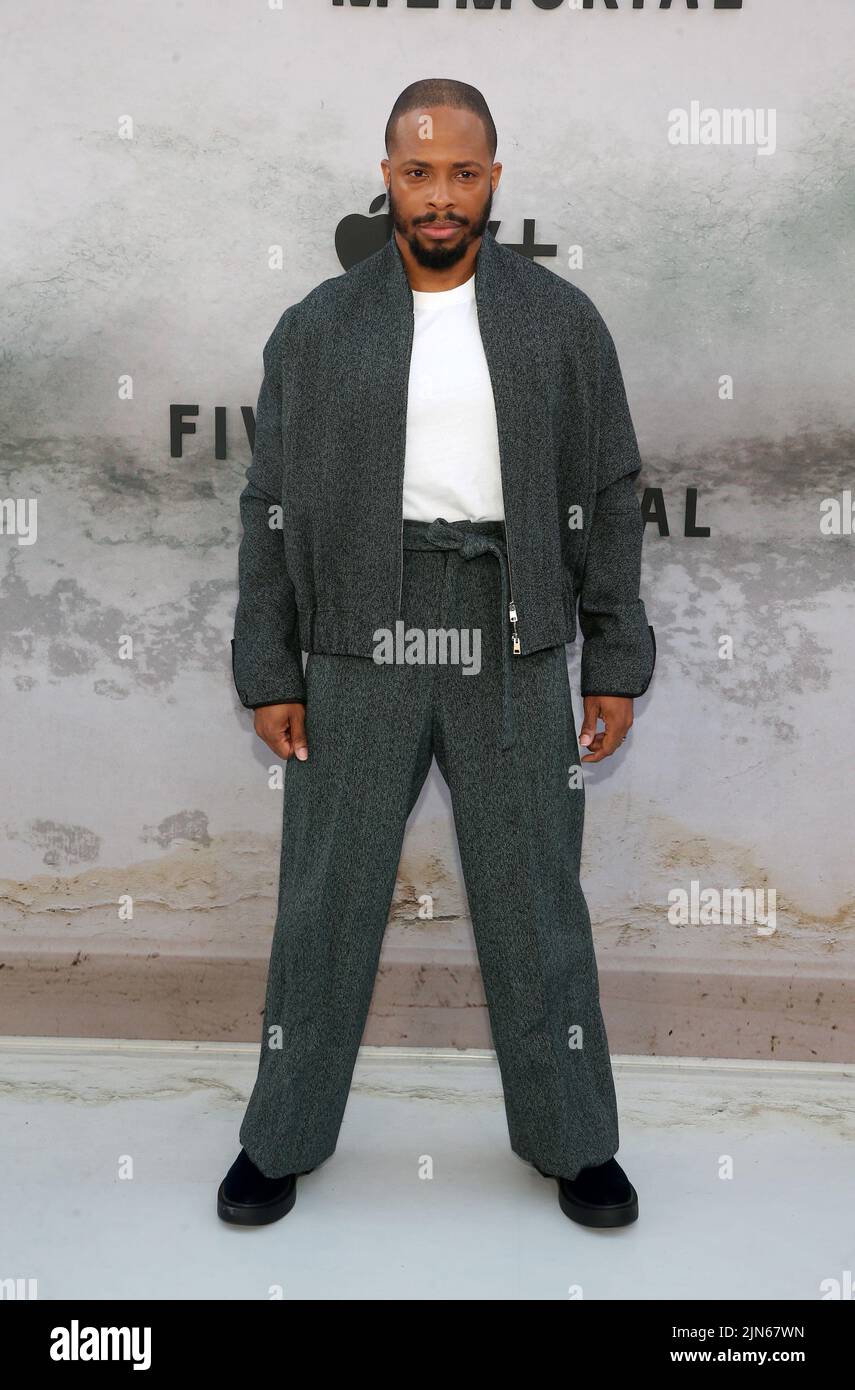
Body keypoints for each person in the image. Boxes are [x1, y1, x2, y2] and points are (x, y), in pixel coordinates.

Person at [218, 78, 656, 1230]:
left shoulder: (559, 322)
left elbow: (611, 491)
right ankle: (279, 1137)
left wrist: (614, 656)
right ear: (387, 179)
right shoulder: (320, 326)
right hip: (358, 630)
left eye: (464, 172)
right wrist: (269, 665)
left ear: (494, 180)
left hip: (510, 629)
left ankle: (575, 1140)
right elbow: (268, 502)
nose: (441, 195)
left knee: (534, 899)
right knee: (325, 900)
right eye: (419, 173)